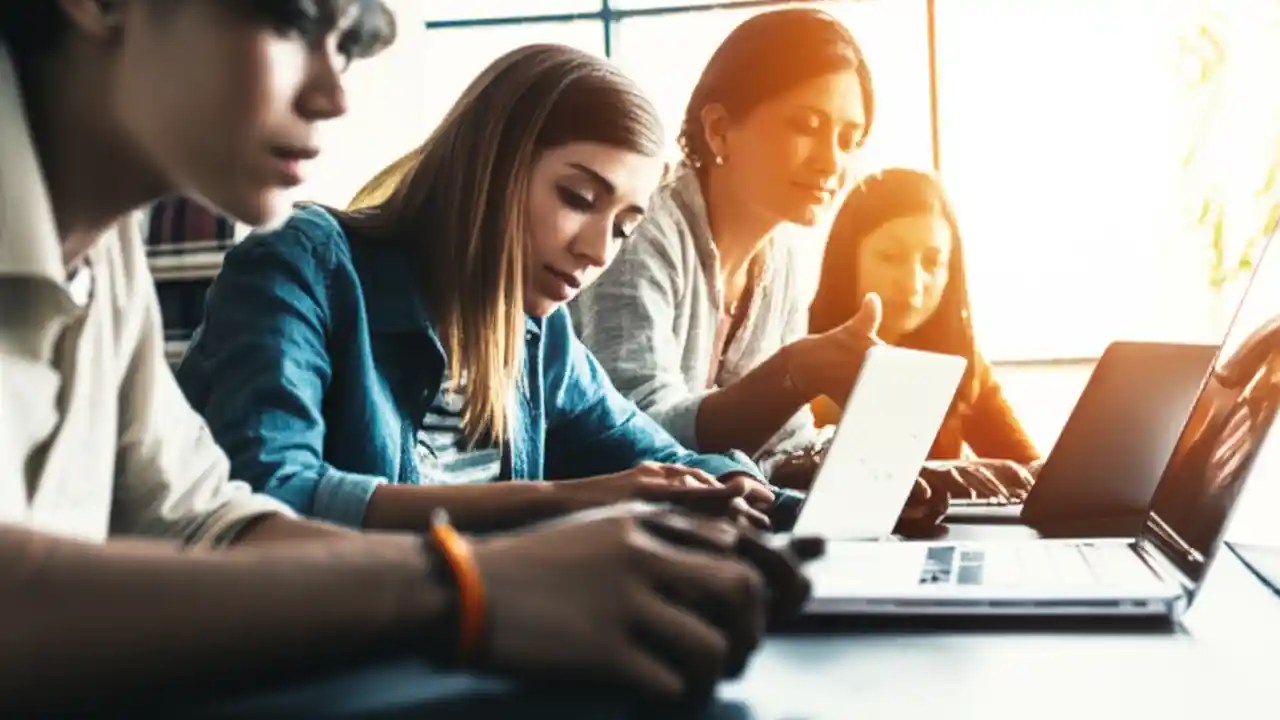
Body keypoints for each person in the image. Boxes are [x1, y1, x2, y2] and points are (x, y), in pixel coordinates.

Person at [0, 2, 811, 713]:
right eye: (290, 20)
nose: (337, 96)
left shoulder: (102, 260)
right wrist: (473, 584)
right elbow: (270, 490)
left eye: (348, 43)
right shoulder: (308, 261)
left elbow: (205, 522)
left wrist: (785, 499)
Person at [176, 43, 798, 535]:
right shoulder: (303, 266)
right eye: (579, 198)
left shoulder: (538, 337)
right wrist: (566, 500)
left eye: (623, 229)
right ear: (491, 165)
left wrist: (770, 498)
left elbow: (666, 463)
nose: (597, 251)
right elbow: (270, 497)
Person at [572, 9, 887, 493]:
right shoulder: (640, 228)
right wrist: (795, 372)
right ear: (719, 129)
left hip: (711, 518)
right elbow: (635, 434)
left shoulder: (782, 256)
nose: (831, 161)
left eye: (849, 140)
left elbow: (778, 447)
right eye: (807, 126)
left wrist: (903, 474)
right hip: (603, 519)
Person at [808, 168, 1040, 497]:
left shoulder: (960, 360)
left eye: (932, 262)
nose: (913, 283)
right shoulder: (799, 354)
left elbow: (1030, 471)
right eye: (890, 257)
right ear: (847, 259)